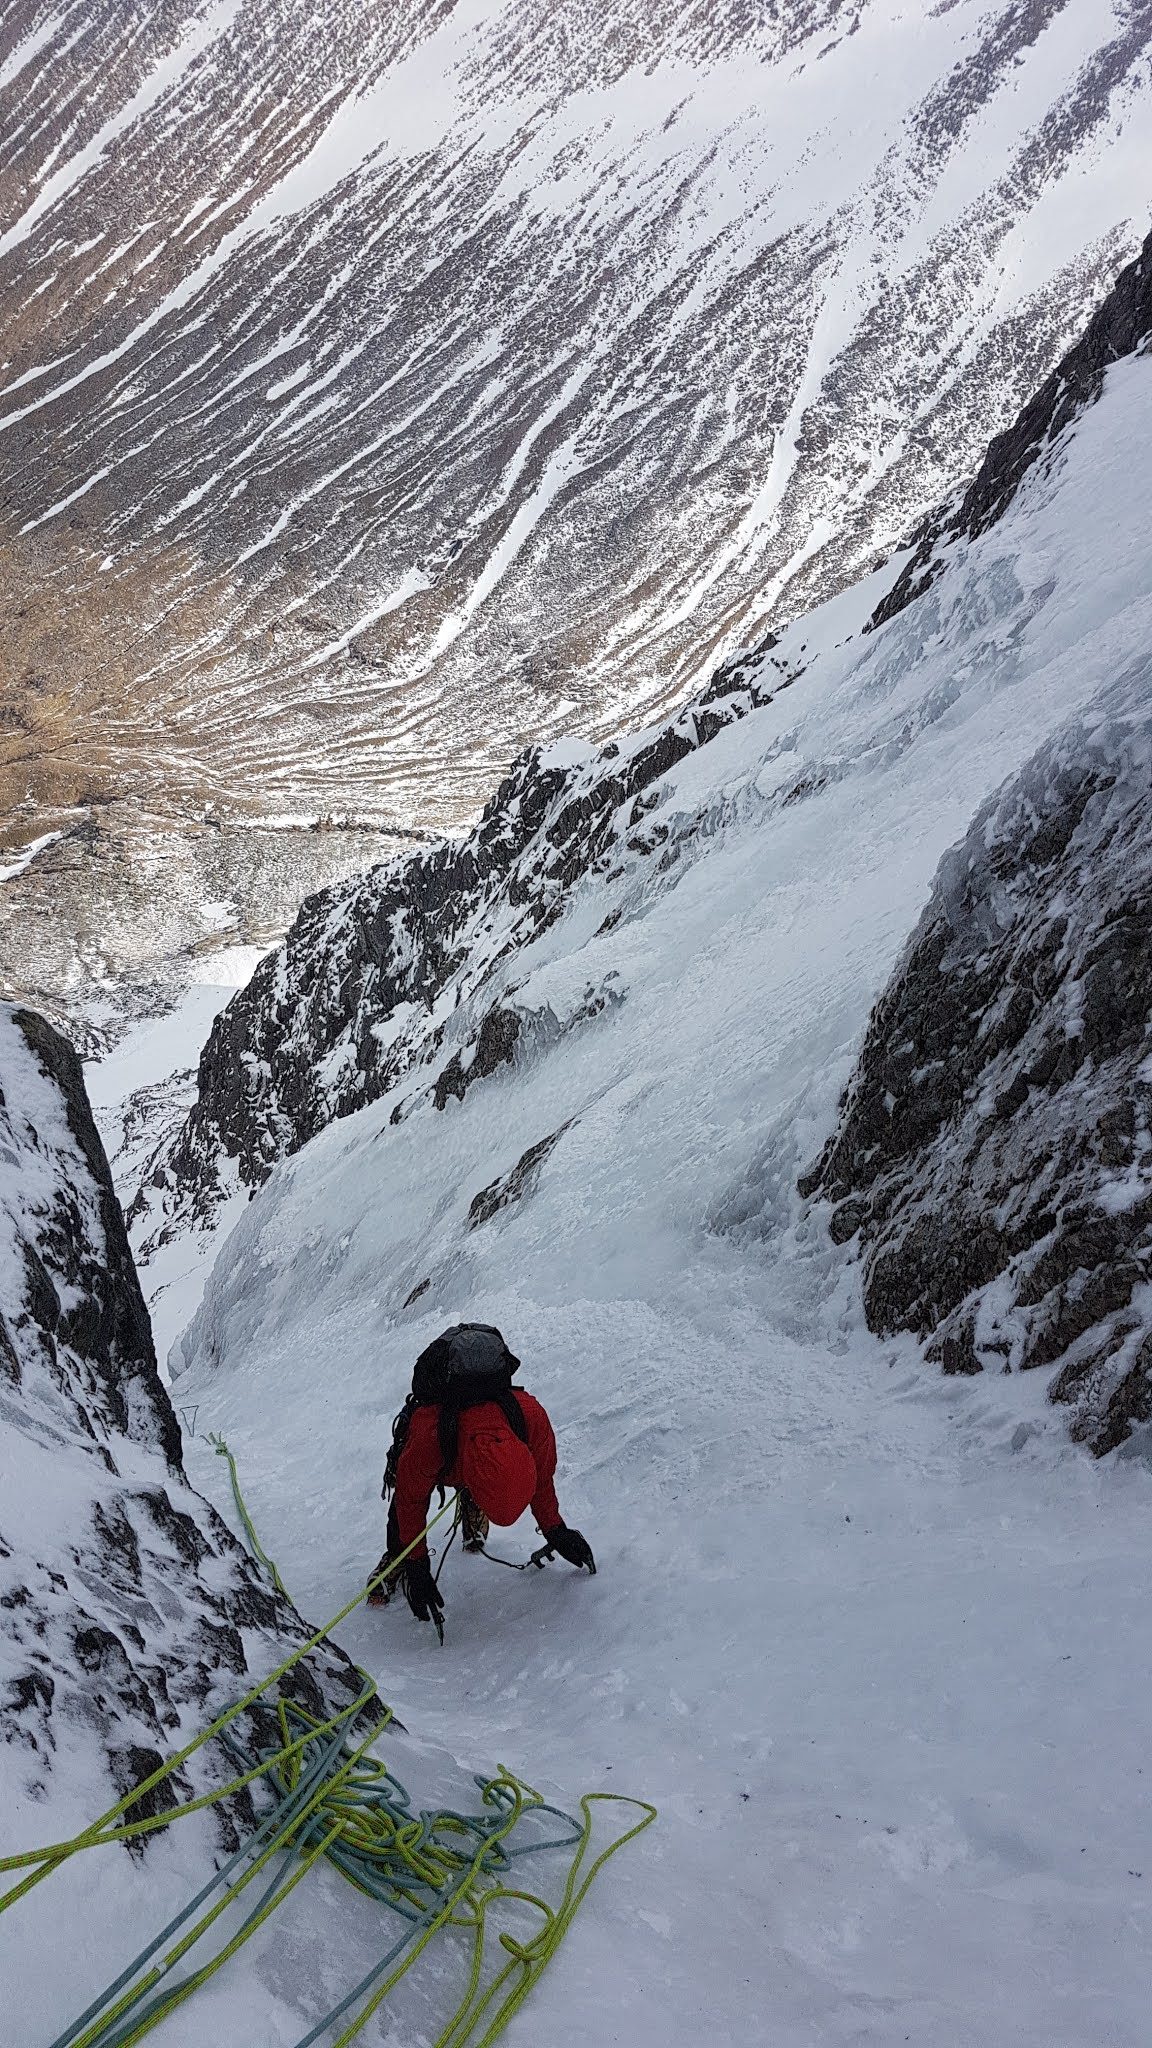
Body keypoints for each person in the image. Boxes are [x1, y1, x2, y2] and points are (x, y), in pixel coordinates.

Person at [367, 1323, 595, 1632]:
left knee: (483, 1472)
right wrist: (415, 1561)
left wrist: (555, 1528)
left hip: (466, 1458)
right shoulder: (430, 1436)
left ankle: (472, 1504)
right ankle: (395, 1557)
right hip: (446, 1449)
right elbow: (410, 1500)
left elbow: (541, 1481)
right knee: (408, 1490)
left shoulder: (530, 1419)